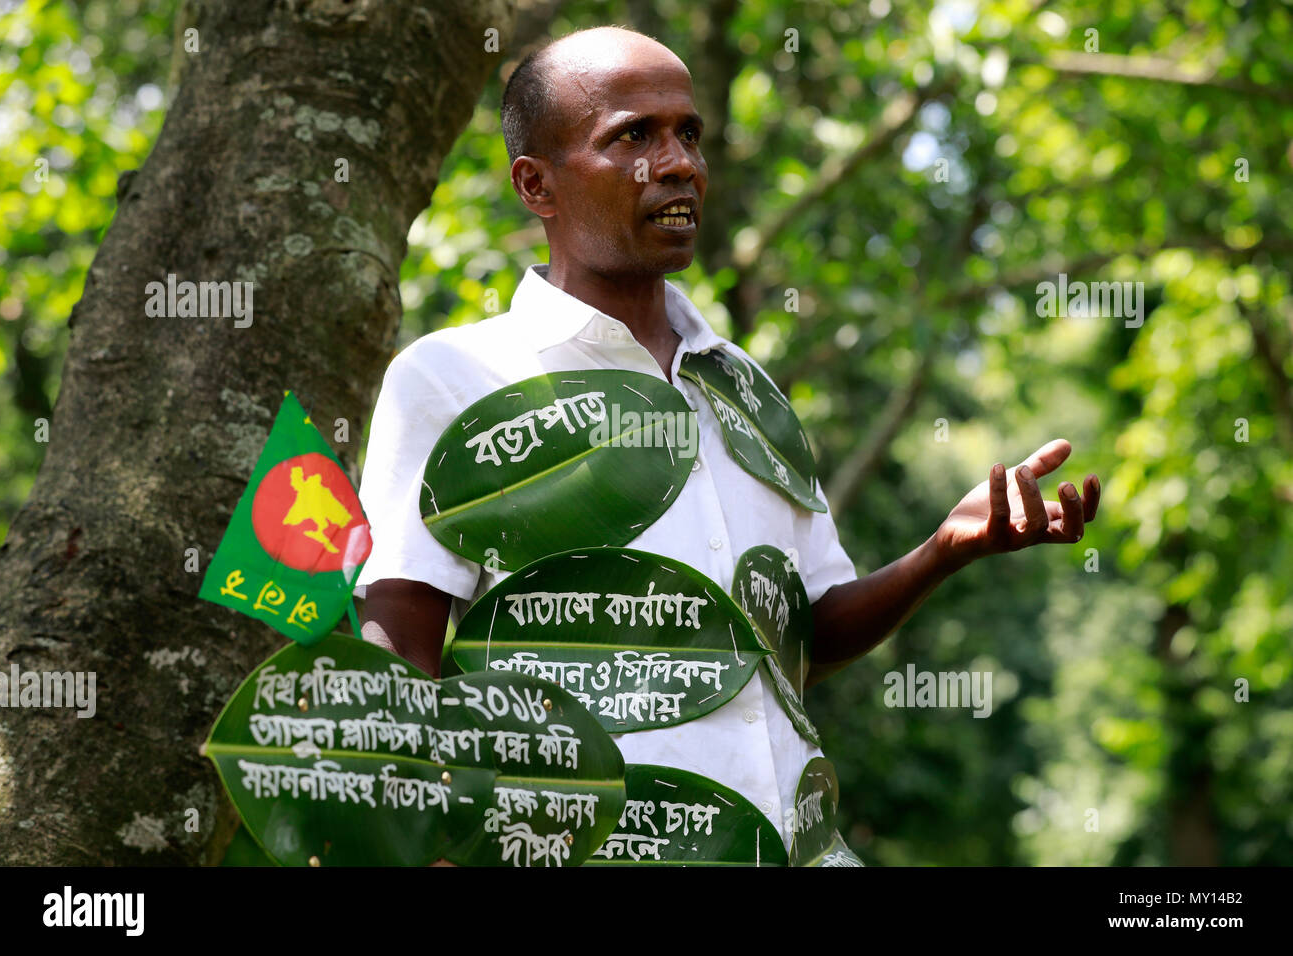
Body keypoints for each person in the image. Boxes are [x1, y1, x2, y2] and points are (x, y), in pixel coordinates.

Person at [354, 26, 1100, 853]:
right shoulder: (454, 377)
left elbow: (802, 639)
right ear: (537, 185)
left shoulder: (745, 389)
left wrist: (944, 550)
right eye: (633, 136)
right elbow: (400, 658)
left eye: (690, 134)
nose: (679, 164)